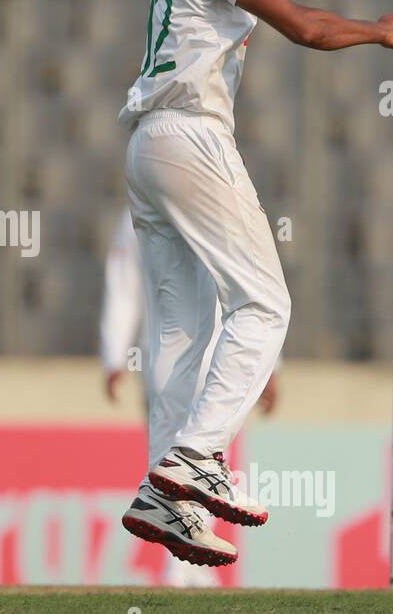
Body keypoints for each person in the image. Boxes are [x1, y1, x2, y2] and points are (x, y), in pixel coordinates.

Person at [118, 0, 393, 567]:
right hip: (189, 137)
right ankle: (196, 457)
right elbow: (306, 29)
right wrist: (379, 32)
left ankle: (164, 494)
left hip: (151, 143)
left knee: (182, 325)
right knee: (265, 305)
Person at [102, 208, 277, 585]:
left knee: (194, 458)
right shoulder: (149, 210)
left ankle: (183, 559)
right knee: (188, 456)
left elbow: (253, 289)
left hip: (203, 352)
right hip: (186, 355)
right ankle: (177, 563)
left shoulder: (210, 200)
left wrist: (271, 368)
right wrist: (114, 352)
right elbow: (124, 282)